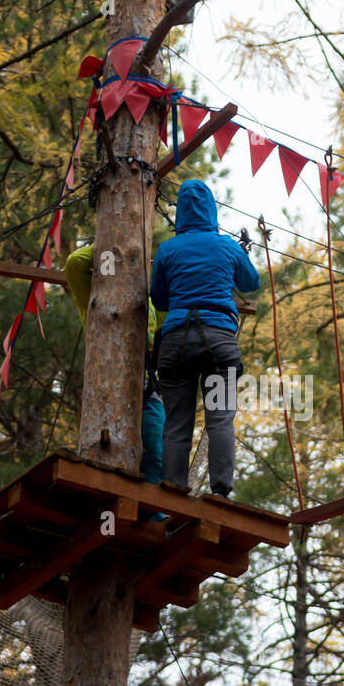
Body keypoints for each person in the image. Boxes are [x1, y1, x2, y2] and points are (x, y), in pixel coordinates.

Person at [150, 179, 259, 496]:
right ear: (212, 211)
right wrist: (238, 256)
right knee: (220, 420)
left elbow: (159, 299)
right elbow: (251, 282)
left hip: (176, 343)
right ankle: (221, 491)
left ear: (180, 213)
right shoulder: (226, 246)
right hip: (219, 343)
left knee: (176, 425)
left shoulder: (168, 250)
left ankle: (172, 491)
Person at [63, 243, 164, 484]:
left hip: (148, 384)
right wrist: (120, 245)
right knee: (106, 451)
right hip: (106, 384)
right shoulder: (95, 298)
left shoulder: (153, 305)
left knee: (157, 451)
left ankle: (153, 514)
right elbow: (76, 263)